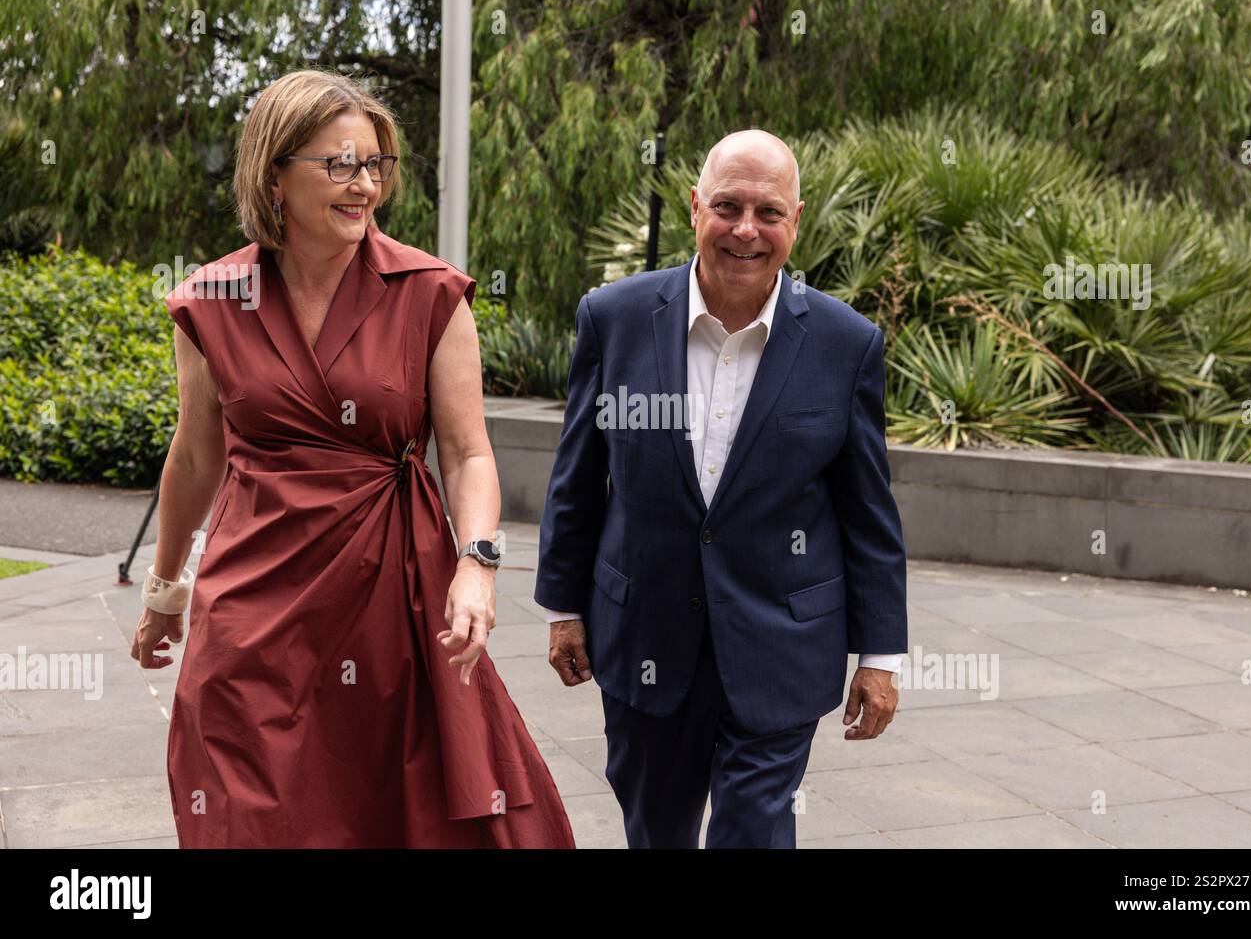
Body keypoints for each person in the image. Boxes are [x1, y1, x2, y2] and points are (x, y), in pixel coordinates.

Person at [134, 68, 574, 848]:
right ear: (275, 174)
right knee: (243, 800)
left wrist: (477, 563)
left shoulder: (430, 292)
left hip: (392, 594)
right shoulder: (210, 301)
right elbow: (196, 458)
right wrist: (167, 590)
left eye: (375, 165)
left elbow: (469, 452)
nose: (363, 185)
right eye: (338, 165)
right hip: (250, 602)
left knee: (390, 798)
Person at [535, 129, 908, 848]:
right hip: (645, 633)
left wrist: (881, 657)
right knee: (657, 831)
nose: (746, 229)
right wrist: (563, 606)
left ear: (796, 220)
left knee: (755, 833)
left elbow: (869, 514)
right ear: (695, 206)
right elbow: (577, 475)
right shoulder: (611, 318)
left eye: (768, 212)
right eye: (728, 206)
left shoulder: (846, 343)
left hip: (783, 645)